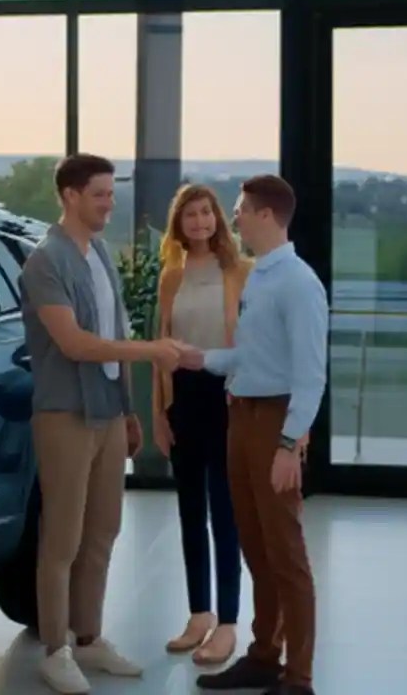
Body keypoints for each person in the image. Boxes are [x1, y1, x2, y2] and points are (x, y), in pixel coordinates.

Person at [19, 153, 180, 694]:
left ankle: (89, 639)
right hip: (65, 414)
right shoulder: (46, 262)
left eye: (112, 193)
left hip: (108, 413)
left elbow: (111, 328)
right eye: (100, 195)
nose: (110, 203)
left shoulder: (102, 254)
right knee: (61, 539)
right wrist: (153, 351)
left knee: (104, 531)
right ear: (69, 195)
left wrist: (129, 411)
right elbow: (75, 344)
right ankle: (55, 649)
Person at [176, 175, 327, 695]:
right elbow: (250, 355)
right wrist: (203, 359)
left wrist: (289, 443)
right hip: (240, 416)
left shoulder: (299, 283)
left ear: (266, 215)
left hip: (273, 422)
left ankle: (299, 675)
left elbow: (311, 375)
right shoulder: (260, 277)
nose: (232, 218)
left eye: (240, 210)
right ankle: (264, 655)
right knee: (256, 546)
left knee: (286, 551)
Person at [152, 184, 251, 665]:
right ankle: (199, 615)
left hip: (225, 396)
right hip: (183, 398)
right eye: (190, 216)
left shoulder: (240, 272)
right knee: (190, 510)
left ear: (219, 219)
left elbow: (252, 343)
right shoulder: (170, 275)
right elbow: (160, 348)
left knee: (225, 512)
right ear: (179, 224)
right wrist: (158, 415)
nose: (200, 223)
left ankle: (229, 623)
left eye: (207, 213)